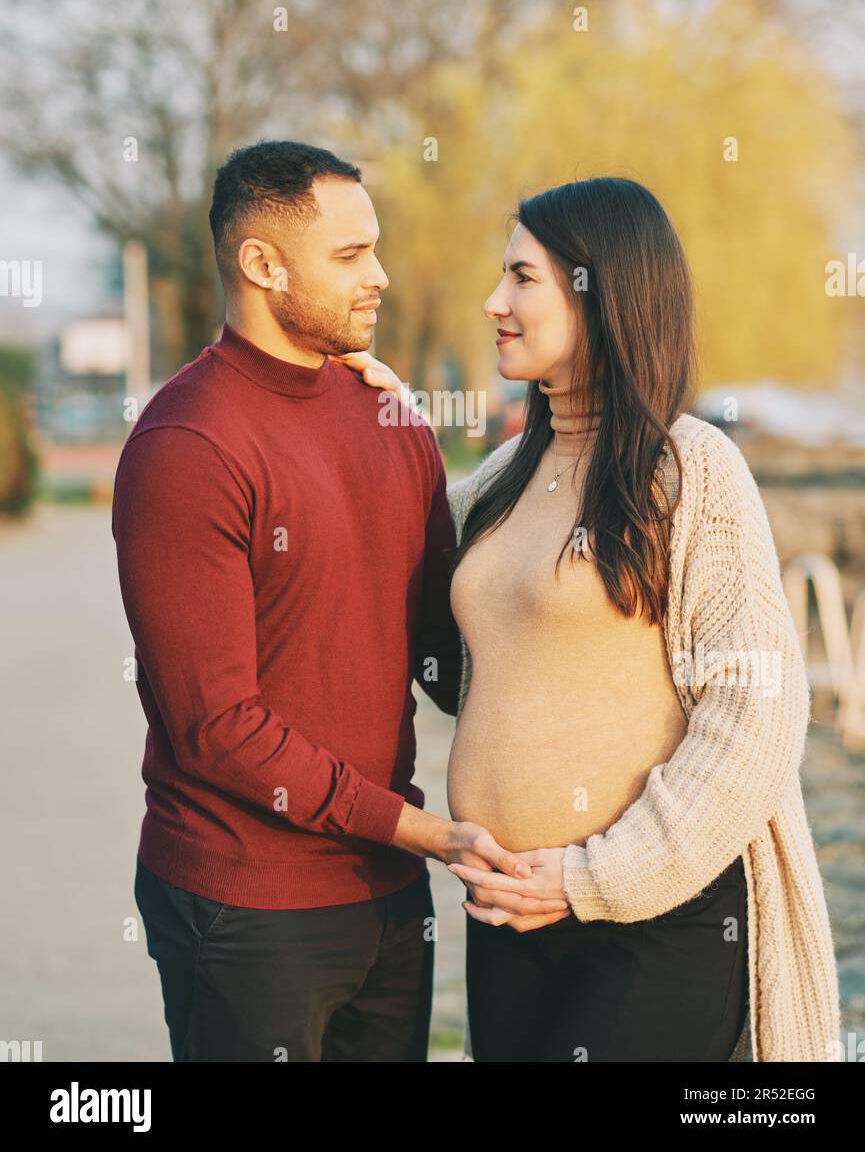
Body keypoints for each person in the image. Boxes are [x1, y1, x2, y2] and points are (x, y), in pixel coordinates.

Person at [349, 175, 841, 1062]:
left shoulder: (688, 472)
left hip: (648, 927)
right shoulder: (500, 480)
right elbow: (417, 610)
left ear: (598, 290)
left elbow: (756, 718)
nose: (493, 303)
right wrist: (375, 423)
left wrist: (589, 879)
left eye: (522, 278)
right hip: (507, 919)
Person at [113, 140, 560, 1063]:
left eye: (376, 250)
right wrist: (423, 831)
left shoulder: (391, 419)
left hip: (388, 900)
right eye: (350, 257)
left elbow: (444, 659)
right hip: (247, 909)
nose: (381, 278)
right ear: (262, 264)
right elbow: (219, 727)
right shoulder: (186, 445)